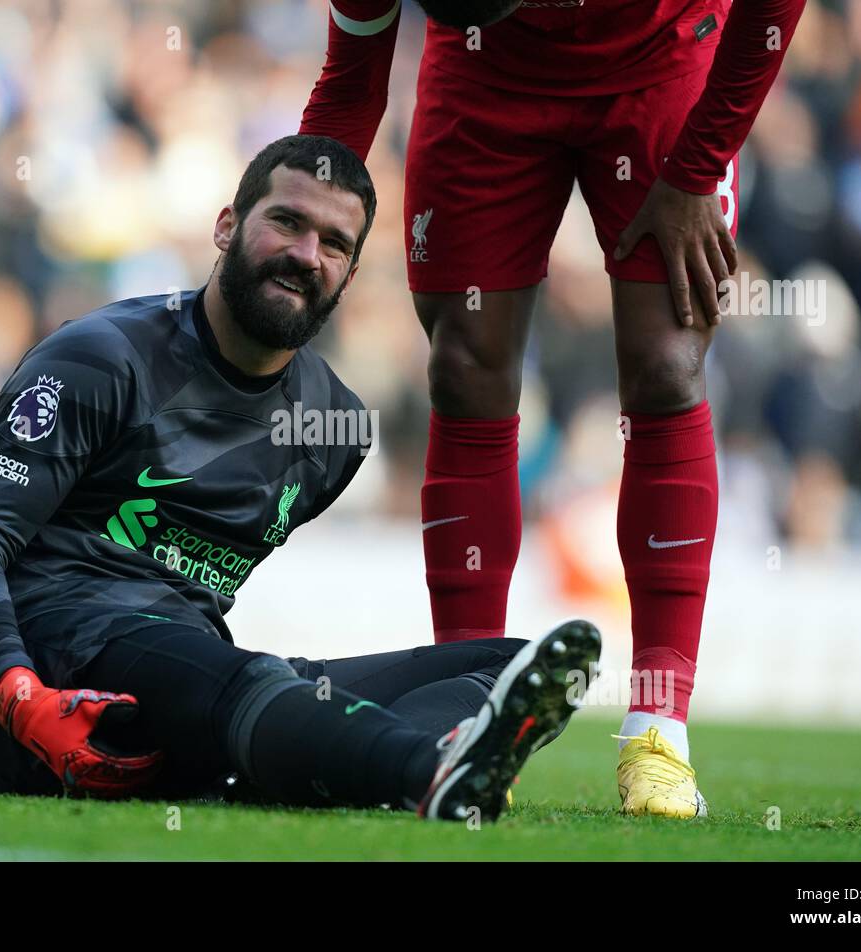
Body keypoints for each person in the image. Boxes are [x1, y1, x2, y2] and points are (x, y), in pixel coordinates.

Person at [0, 134, 601, 820]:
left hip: (195, 675)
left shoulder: (334, 428)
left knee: (524, 665)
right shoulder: (99, 359)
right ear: (226, 227)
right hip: (42, 687)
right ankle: (429, 773)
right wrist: (18, 695)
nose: (307, 255)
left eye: (335, 244)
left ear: (350, 275)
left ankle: (318, 757)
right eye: (287, 222)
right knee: (251, 681)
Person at [299, 0, 807, 818]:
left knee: (667, 362)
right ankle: (463, 717)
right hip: (484, 78)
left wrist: (696, 168)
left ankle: (658, 729)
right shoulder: (462, 19)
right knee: (463, 369)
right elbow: (350, 87)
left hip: (663, 56)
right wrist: (295, 231)